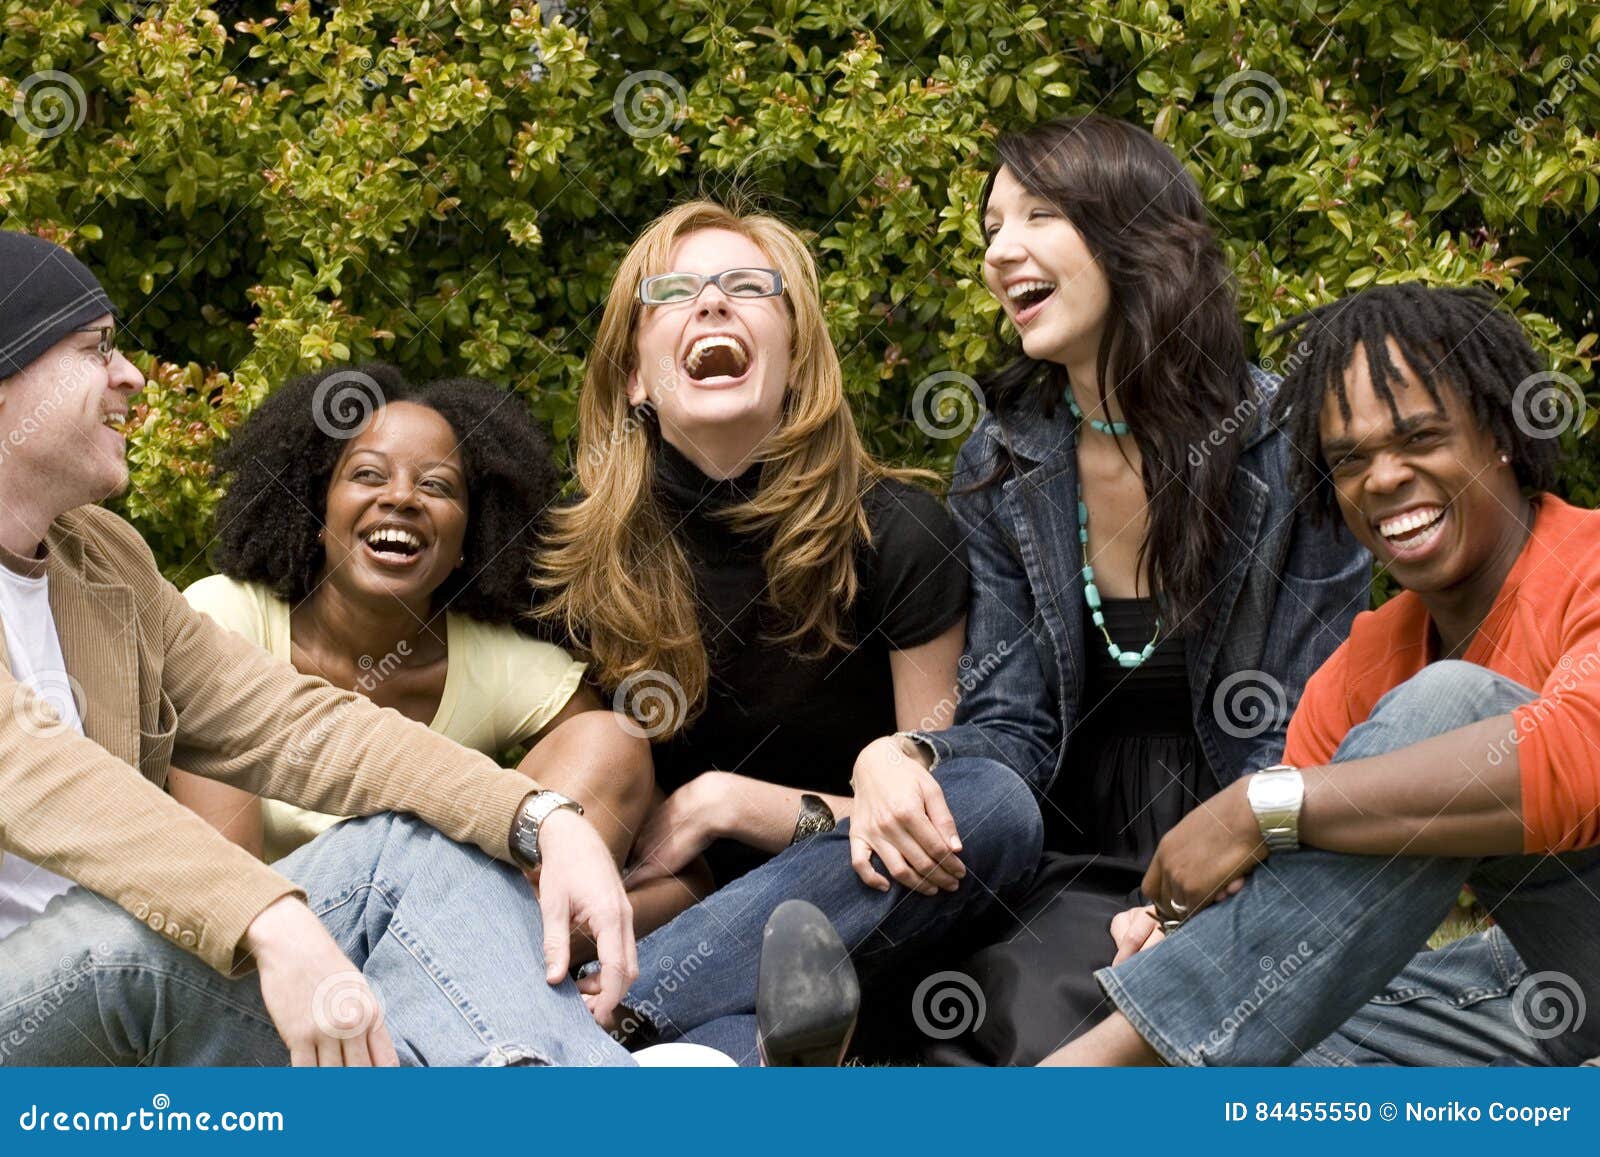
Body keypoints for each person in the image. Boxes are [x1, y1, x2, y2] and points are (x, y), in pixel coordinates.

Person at [0, 229, 636, 1066]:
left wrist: (537, 817)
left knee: (417, 846)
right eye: (95, 349)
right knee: (127, 937)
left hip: (125, 987)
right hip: (44, 999)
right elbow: (37, 773)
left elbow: (294, 721)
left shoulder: (102, 559)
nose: (130, 376)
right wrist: (267, 912)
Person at [908, 115, 1371, 1065]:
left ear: (1134, 231)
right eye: (990, 228)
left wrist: (1205, 887)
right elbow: (1011, 723)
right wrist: (910, 751)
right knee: (994, 1016)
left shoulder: (1286, 445)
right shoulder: (1003, 459)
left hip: (1253, 838)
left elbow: (1308, 721)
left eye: (1038, 214)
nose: (999, 251)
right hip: (1067, 858)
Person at [535, 200, 1043, 1064]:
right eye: (675, 292)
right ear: (633, 379)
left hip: (861, 918)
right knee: (734, 1057)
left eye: (746, 286)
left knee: (996, 802)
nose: (712, 302)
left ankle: (578, 1034)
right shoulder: (573, 561)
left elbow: (935, 818)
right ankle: (632, 1031)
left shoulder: (896, 533)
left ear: (798, 358)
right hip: (678, 939)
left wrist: (726, 804)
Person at [1045, 284, 1600, 1067]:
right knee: (1282, 1016)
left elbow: (1574, 761)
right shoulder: (1371, 660)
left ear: (1500, 435)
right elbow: (1291, 883)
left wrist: (1260, 803)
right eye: (1349, 460)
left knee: (1452, 705)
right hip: (1534, 987)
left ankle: (1093, 1079)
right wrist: (1182, 929)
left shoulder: (1589, 563)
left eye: (1420, 438)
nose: (1383, 478)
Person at [170, 368, 657, 917]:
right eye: (368, 474)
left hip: (436, 941)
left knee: (611, 737)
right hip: (267, 943)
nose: (401, 496)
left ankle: (522, 947)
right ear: (316, 512)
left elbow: (640, 818)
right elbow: (228, 895)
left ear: (469, 539)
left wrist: (620, 916)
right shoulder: (225, 619)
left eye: (436, 486)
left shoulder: (497, 664)